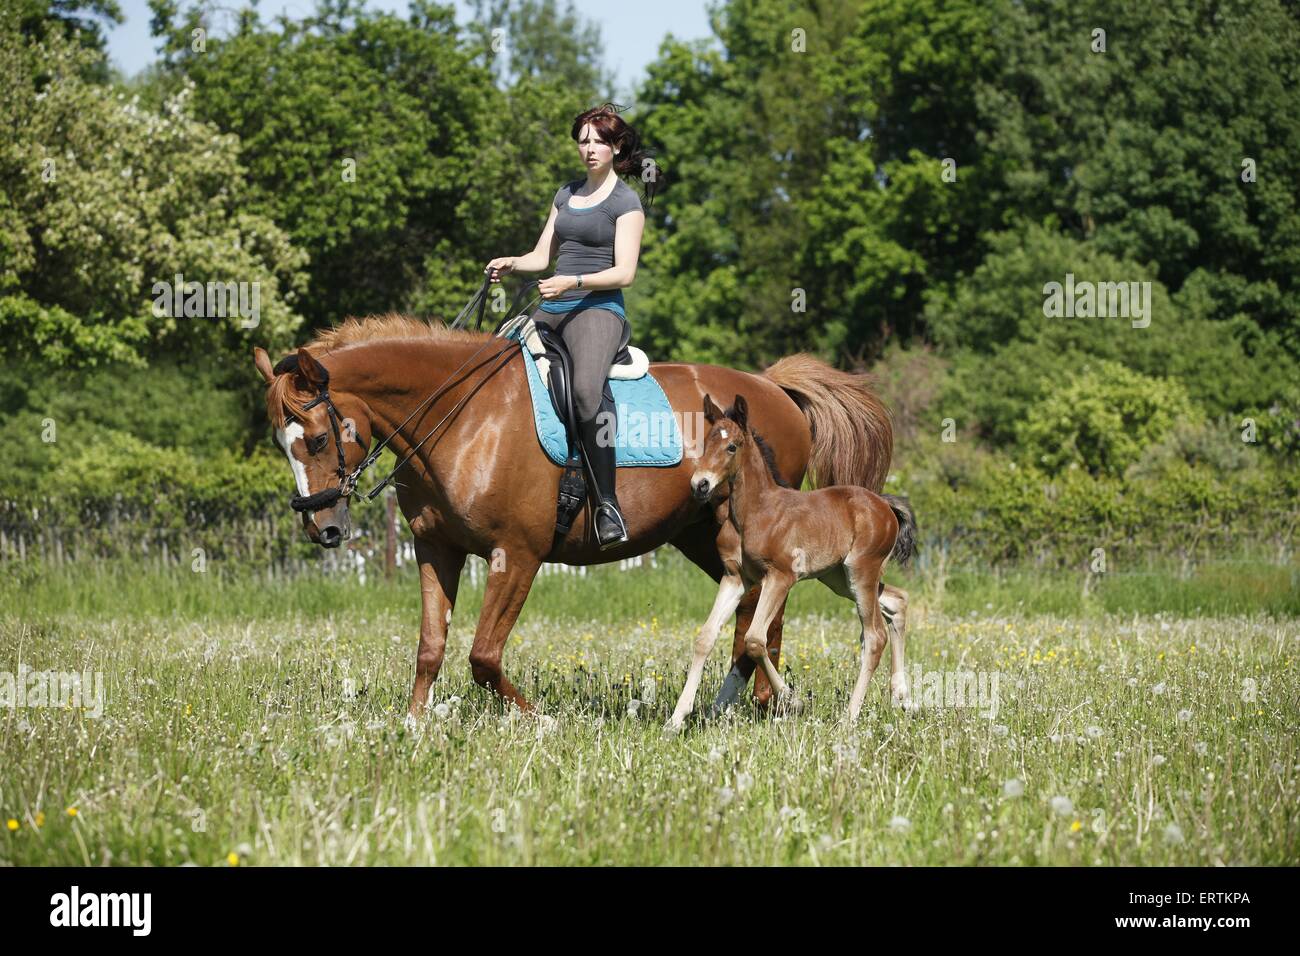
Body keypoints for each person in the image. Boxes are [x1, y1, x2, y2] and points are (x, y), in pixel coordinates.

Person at [485, 104, 658, 550]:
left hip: (597, 310)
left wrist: (574, 280)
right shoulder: (565, 195)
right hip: (554, 303)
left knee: (585, 391)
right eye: (583, 140)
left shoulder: (625, 202)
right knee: (496, 366)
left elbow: (625, 273)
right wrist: (512, 262)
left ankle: (607, 504)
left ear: (616, 146)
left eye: (598, 140)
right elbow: (543, 257)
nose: (589, 148)